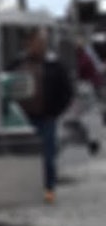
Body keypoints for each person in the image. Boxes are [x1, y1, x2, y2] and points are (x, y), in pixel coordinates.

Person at [11, 28, 74, 203]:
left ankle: (48, 191)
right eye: (36, 42)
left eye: (42, 43)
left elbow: (67, 91)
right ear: (28, 43)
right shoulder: (18, 63)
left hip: (46, 118)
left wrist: (55, 111)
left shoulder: (54, 65)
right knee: (24, 156)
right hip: (22, 120)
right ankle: (26, 190)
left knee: (47, 157)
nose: (40, 46)